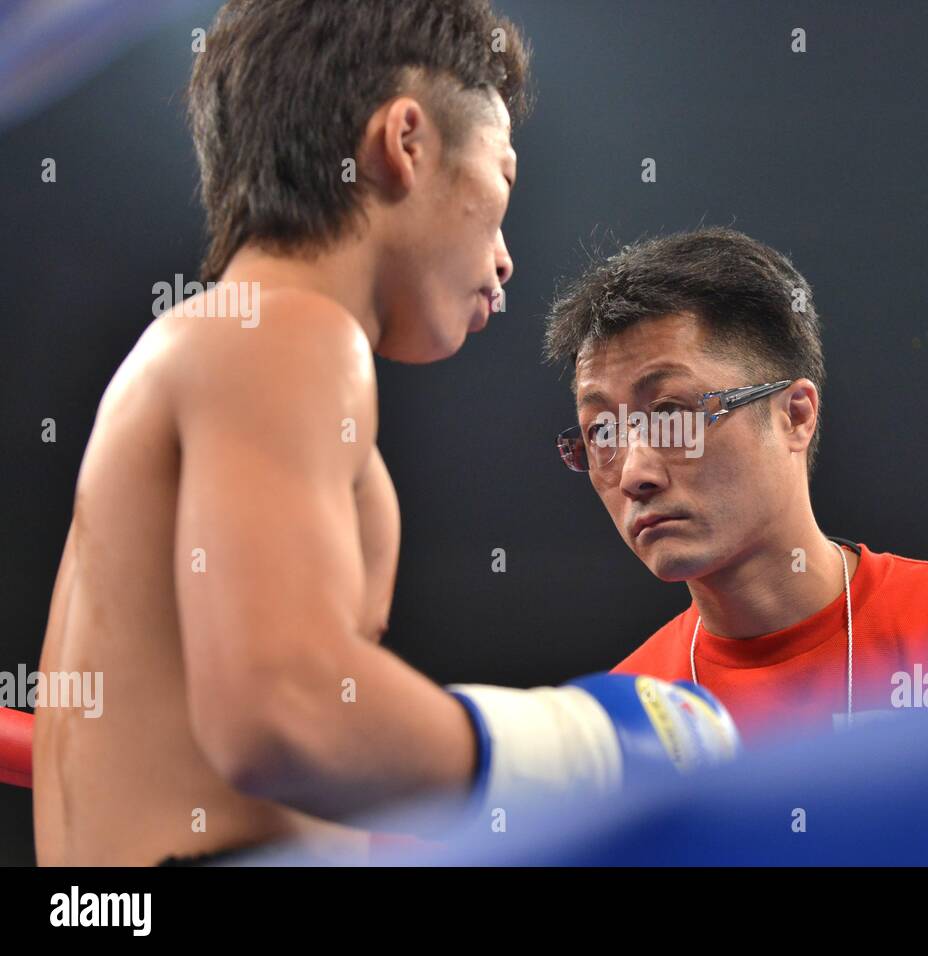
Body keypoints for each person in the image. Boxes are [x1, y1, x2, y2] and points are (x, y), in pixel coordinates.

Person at [33, 0, 737, 867]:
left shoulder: (212, 343)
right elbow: (280, 711)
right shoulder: (288, 333)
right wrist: (589, 749)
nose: (506, 255)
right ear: (404, 143)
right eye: (503, 180)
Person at [545, 227, 928, 742]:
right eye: (602, 432)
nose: (635, 472)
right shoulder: (620, 732)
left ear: (795, 416)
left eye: (671, 415)